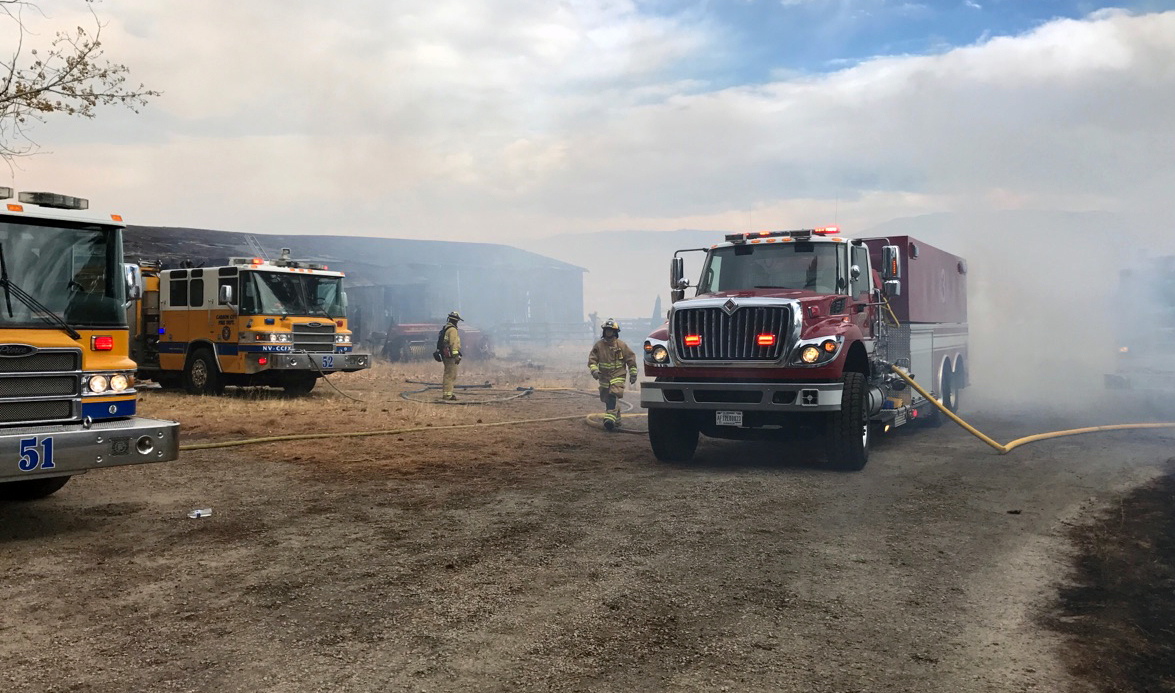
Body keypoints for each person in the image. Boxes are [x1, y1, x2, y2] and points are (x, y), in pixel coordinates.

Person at [587, 318, 637, 431]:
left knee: (613, 395)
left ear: (615, 332)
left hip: (618, 375)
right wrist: (594, 371)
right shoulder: (599, 346)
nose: (608, 332)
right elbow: (592, 360)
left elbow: (631, 359)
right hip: (604, 377)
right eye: (607, 330)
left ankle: (609, 420)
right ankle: (617, 420)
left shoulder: (622, 345)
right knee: (607, 398)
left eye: (611, 330)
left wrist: (633, 374)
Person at [437, 311, 462, 400]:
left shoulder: (446, 328)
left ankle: (448, 393)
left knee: (448, 374)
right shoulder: (453, 330)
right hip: (450, 356)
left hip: (446, 355)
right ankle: (448, 395)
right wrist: (456, 356)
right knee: (450, 375)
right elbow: (453, 344)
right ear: (456, 321)